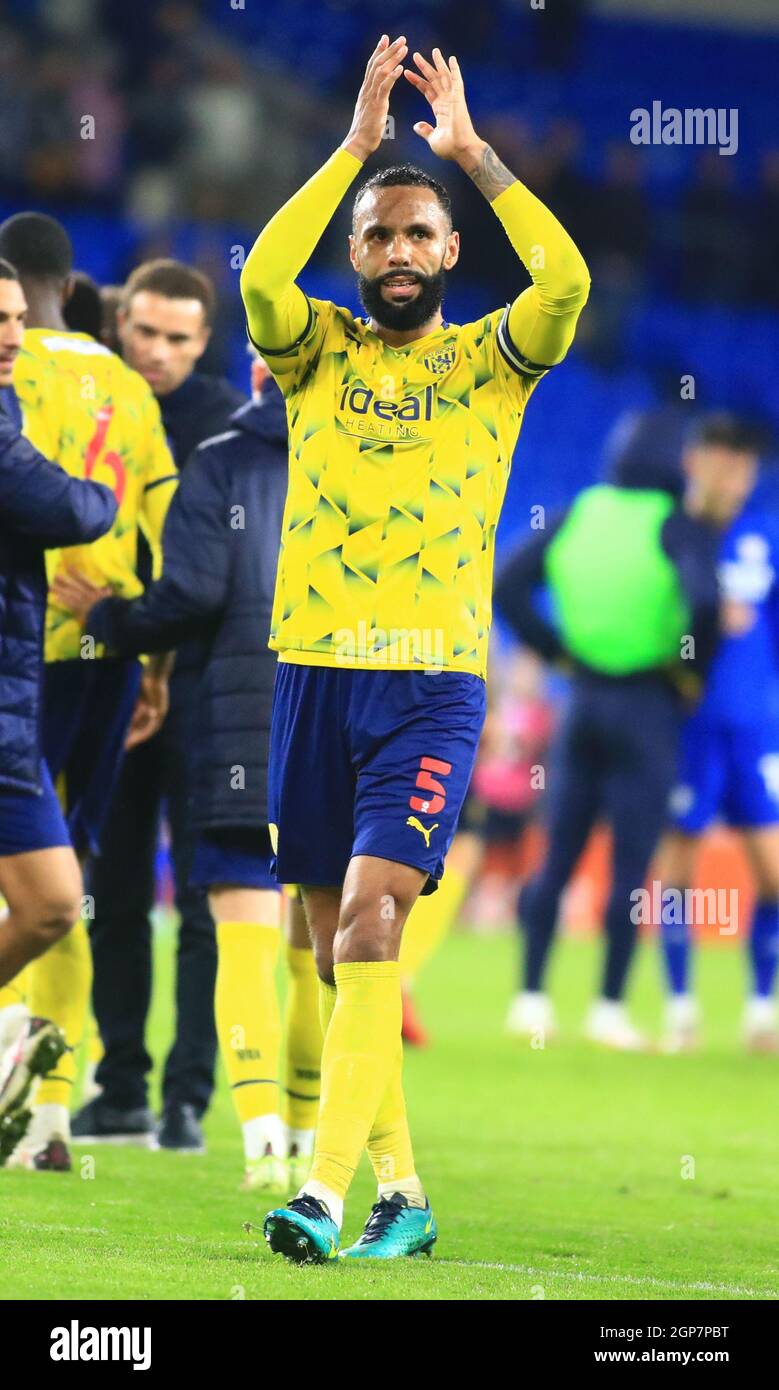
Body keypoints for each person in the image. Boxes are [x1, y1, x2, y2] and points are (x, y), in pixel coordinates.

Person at [240, 34, 589, 1261]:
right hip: (312, 672)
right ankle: (402, 1190)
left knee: (372, 925)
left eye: (416, 236)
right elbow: (258, 288)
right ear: (357, 252)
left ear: (450, 254)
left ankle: (321, 1196)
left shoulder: (492, 362)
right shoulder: (315, 351)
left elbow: (567, 286)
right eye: (377, 236)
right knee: (337, 949)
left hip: (431, 684)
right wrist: (349, 154)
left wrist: (474, 158)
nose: (396, 253)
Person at [55, 361, 321, 1190]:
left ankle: (262, 1140)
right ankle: (317, 1144)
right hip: (336, 727)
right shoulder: (364, 453)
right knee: (321, 945)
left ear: (254, 374)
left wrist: (108, 617)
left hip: (239, 724)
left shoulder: (221, 457)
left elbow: (194, 591)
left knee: (241, 929)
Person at [0, 213, 178, 1172]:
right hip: (107, 661)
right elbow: (170, 532)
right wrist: (155, 662)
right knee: (69, 881)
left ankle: (19, 1083)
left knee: (31, 884)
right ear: (71, 288)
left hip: (27, 653)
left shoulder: (10, 374)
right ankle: (52, 1116)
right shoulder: (127, 386)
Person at [79, 260, 246, 1153]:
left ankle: (186, 1096)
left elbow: (215, 579)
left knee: (206, 899)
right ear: (120, 324)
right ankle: (120, 1088)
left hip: (201, 689)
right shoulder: (95, 403)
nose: (159, 352)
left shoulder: (226, 424)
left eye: (179, 338)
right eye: (145, 332)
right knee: (114, 888)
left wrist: (156, 653)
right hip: (112, 671)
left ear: (203, 341)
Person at [495, 410, 722, 1050]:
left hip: (583, 699)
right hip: (648, 704)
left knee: (557, 852)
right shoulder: (675, 525)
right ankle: (608, 1007)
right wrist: (691, 667)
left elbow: (509, 585)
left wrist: (557, 648)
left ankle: (530, 997)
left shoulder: (579, 511)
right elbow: (704, 600)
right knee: (630, 862)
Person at [0, 258, 117, 1164]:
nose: (9, 336)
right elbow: (69, 504)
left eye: (12, 318)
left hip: (13, 705)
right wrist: (95, 492)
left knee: (52, 903)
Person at [655, 416, 776, 1052]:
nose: (733, 472)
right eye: (723, 458)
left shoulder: (766, 538)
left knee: (774, 872)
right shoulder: (675, 533)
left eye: (744, 462)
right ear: (697, 460)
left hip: (756, 730)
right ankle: (680, 1006)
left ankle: (762, 1007)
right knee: (676, 870)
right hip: (687, 729)